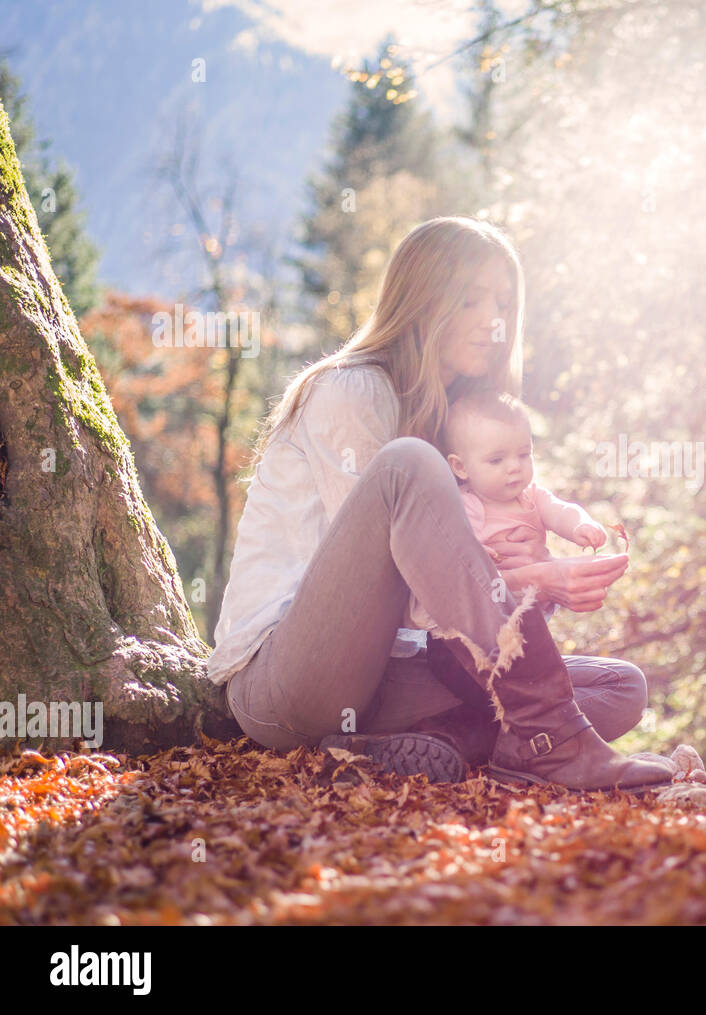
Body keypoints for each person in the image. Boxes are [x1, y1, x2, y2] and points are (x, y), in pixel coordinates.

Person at [204, 216, 673, 793]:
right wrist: (538, 579)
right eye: (471, 299)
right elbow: (404, 596)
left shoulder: (459, 422)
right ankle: (551, 739)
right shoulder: (353, 390)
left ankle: (442, 744)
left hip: (395, 671)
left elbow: (452, 598)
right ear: (423, 296)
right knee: (410, 464)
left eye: (502, 302)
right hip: (291, 678)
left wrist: (539, 564)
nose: (493, 319)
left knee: (619, 688)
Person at [441, 390, 611, 564]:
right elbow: (451, 548)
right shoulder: (464, 506)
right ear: (460, 467)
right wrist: (474, 554)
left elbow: (561, 512)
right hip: (495, 588)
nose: (515, 466)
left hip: (542, 587)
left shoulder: (533, 497)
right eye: (496, 460)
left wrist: (580, 525)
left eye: (523, 454)